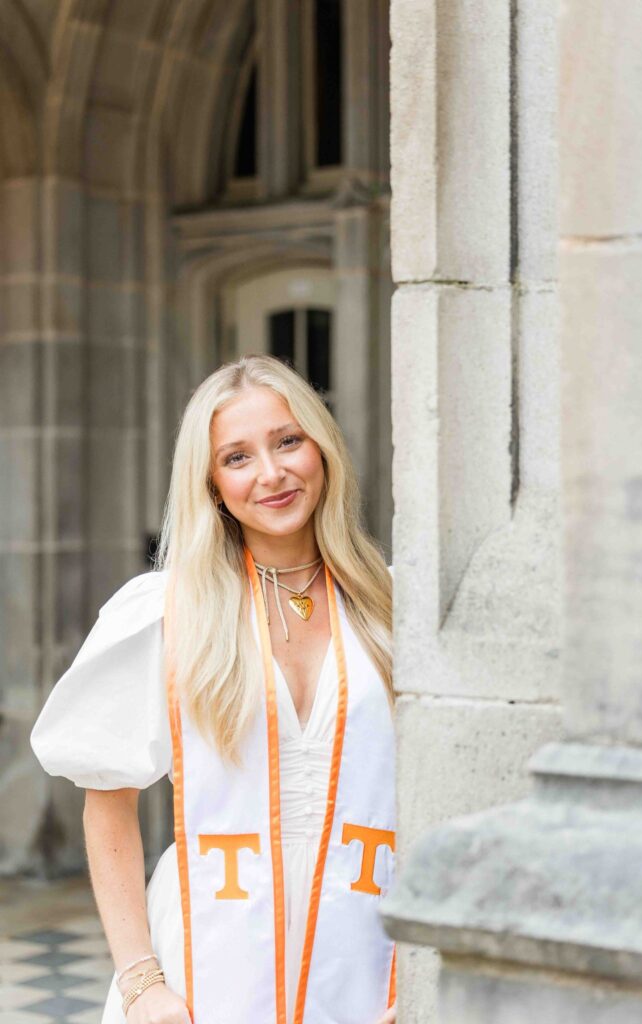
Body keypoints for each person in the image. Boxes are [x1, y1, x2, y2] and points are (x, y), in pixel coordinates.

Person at [31, 354, 397, 1024]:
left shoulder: (390, 606)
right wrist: (143, 983)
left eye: (287, 441)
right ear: (210, 484)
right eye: (237, 456)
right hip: (208, 964)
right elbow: (106, 805)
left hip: (368, 957)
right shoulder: (167, 612)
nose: (271, 473)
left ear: (322, 449)